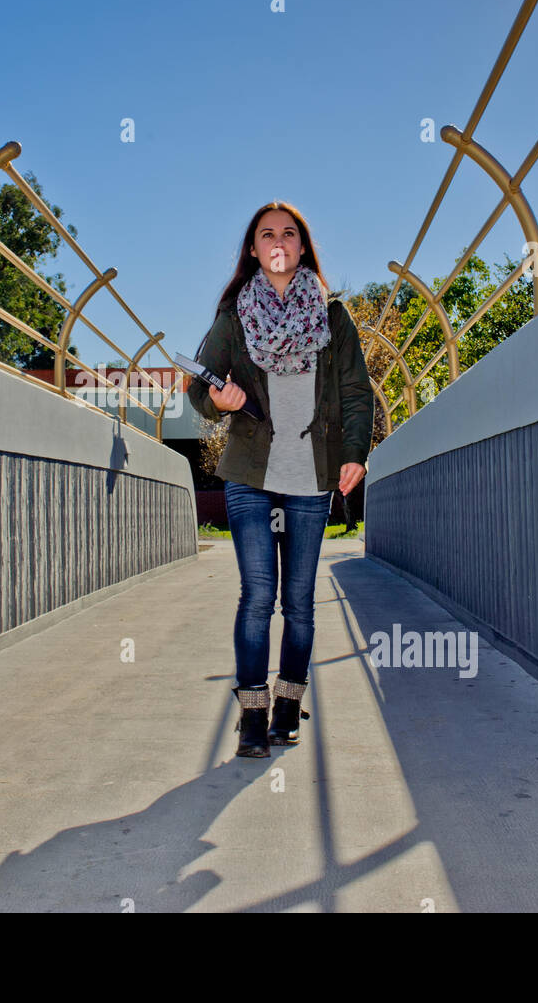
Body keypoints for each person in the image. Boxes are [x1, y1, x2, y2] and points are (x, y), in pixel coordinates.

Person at [187, 201, 373, 758]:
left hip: (312, 476)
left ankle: (289, 701)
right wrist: (218, 396)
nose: (278, 241)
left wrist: (355, 452)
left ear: (301, 246)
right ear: (253, 249)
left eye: (288, 234)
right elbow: (200, 387)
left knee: (298, 601)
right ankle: (251, 715)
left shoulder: (332, 318)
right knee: (257, 596)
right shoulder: (233, 318)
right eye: (267, 234)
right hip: (250, 475)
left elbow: (357, 392)